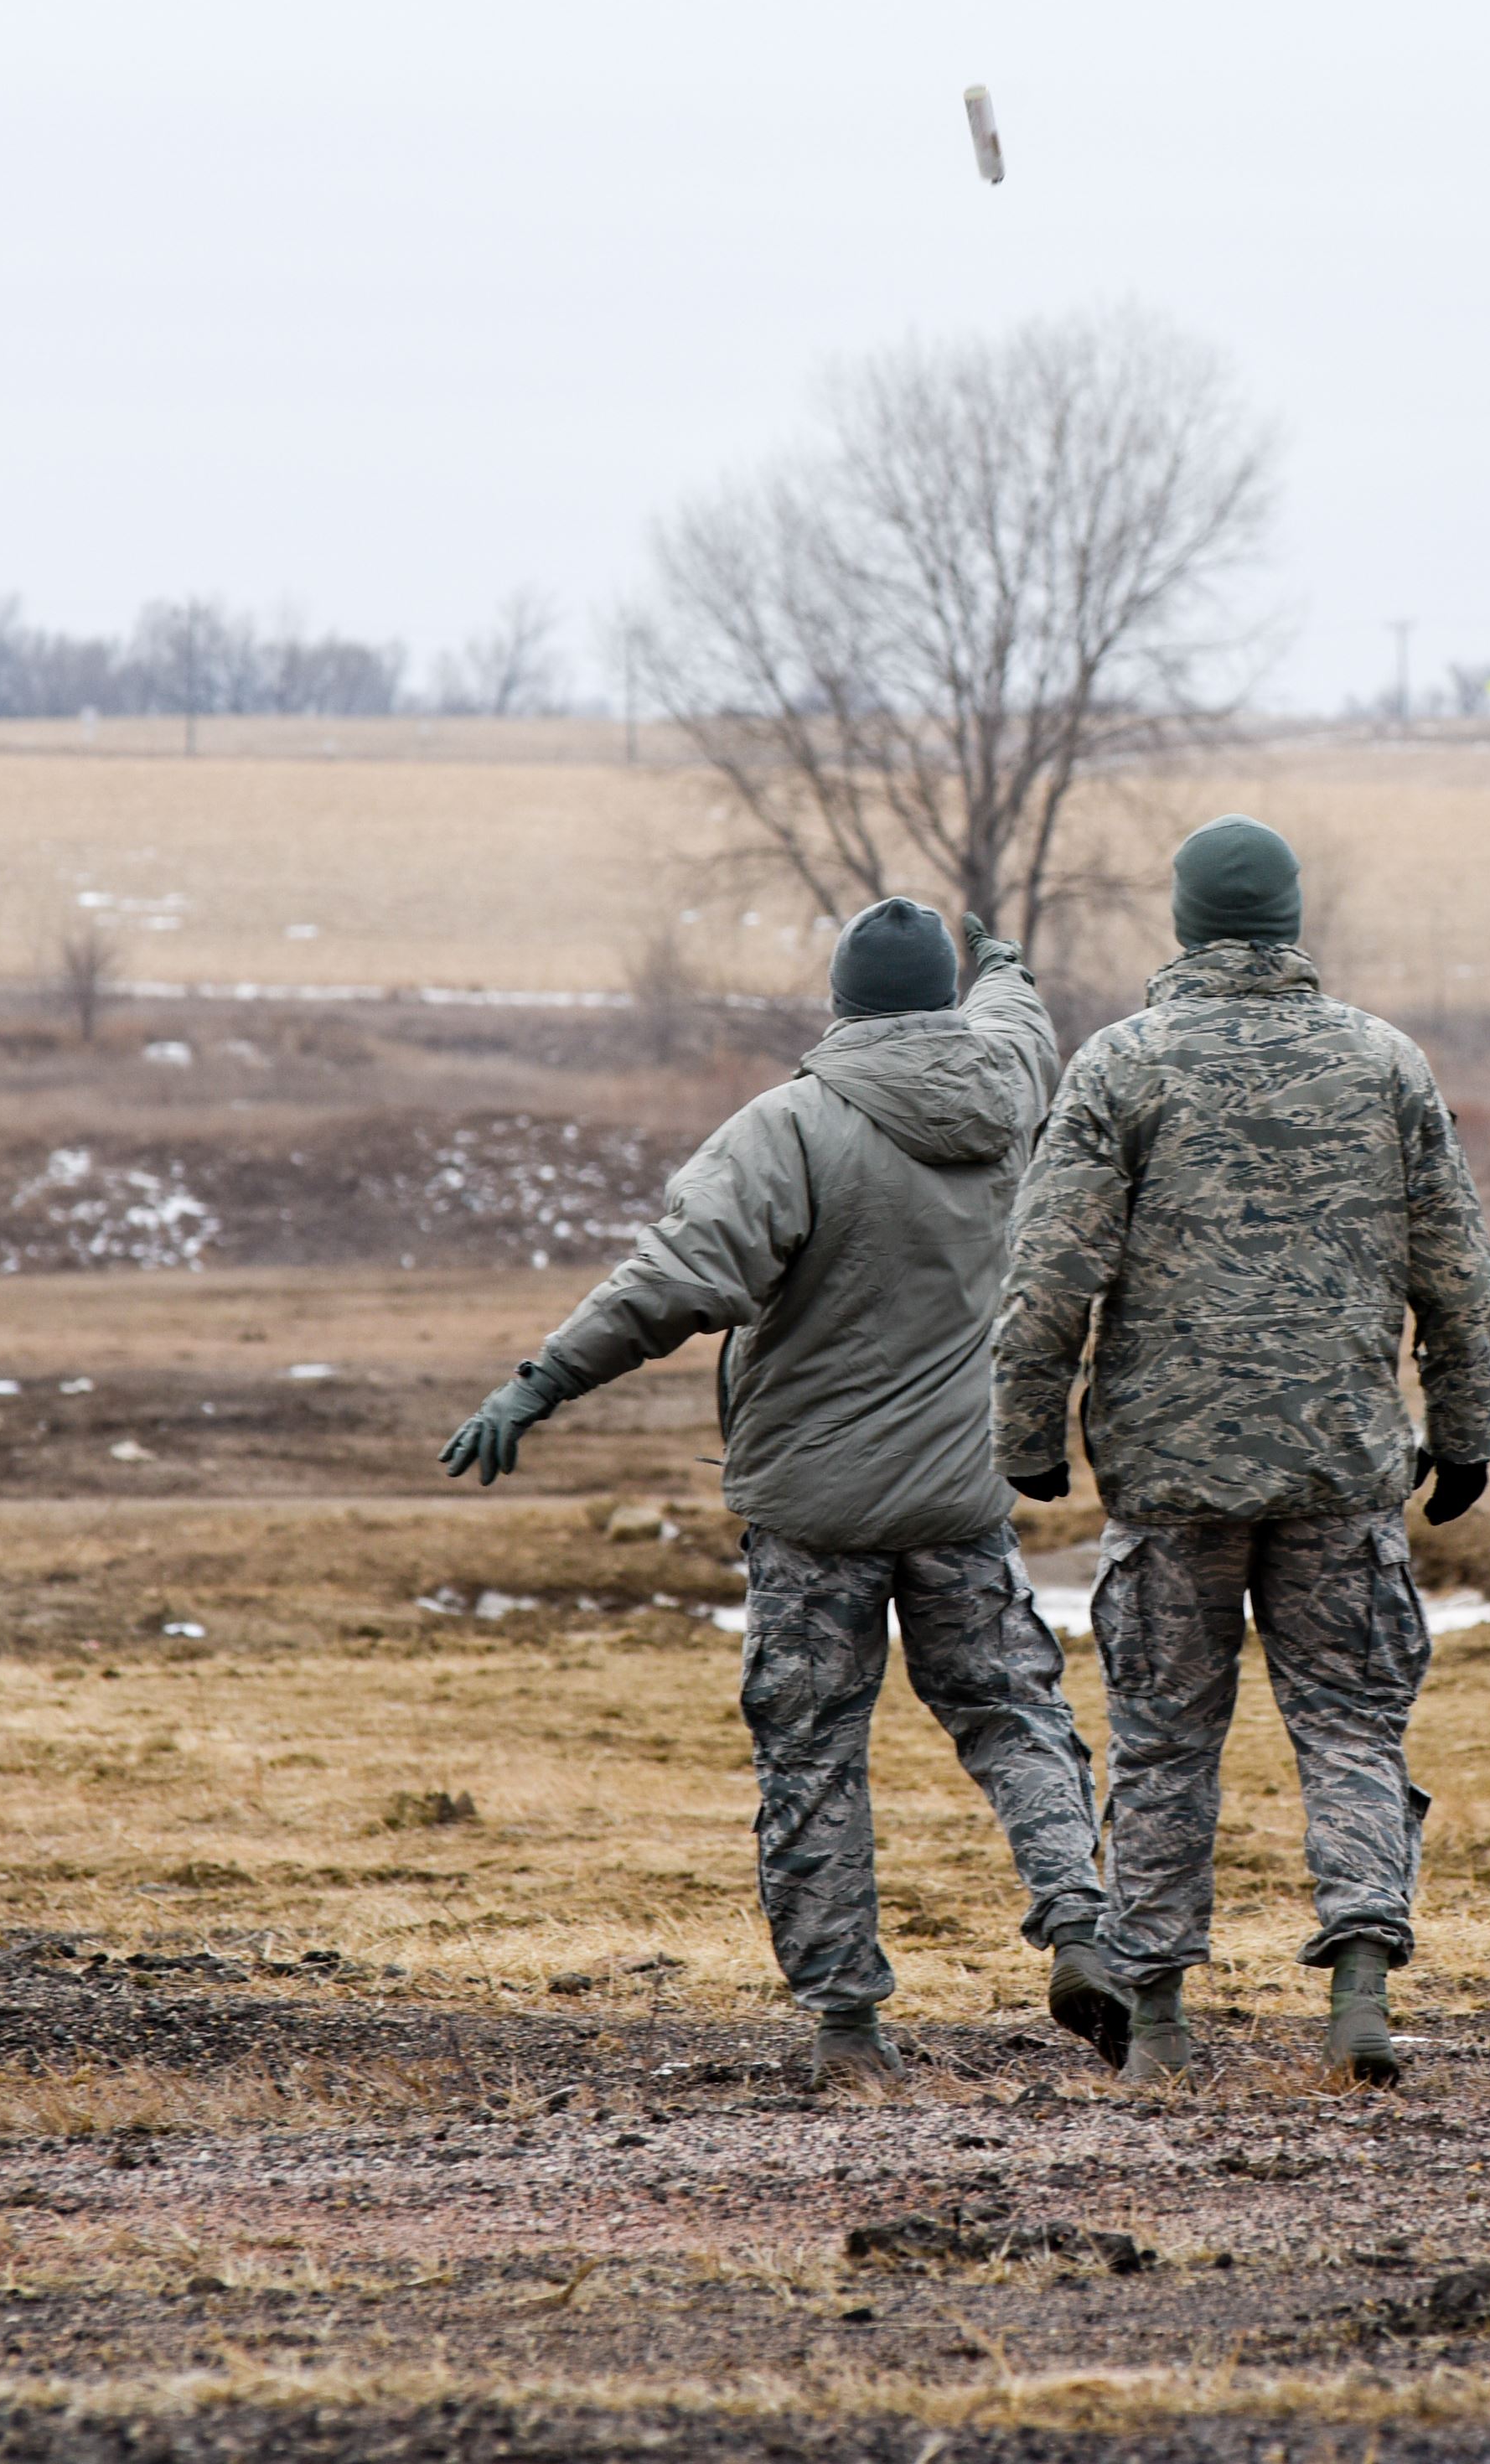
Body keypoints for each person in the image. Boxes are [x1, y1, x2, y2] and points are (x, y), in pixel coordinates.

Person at [439, 898, 1129, 2094]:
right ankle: (1079, 1926)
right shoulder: (1013, 1089)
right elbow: (1020, 1019)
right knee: (1018, 1723)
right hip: (962, 1496)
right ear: (945, 1000)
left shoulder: (791, 1128)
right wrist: (1007, 966)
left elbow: (669, 1283)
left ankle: (850, 2027)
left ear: (841, 1003)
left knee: (813, 1759)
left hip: (813, 1516)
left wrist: (538, 1385)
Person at [989, 814, 1490, 2085]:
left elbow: (1050, 1272)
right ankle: (1363, 1995)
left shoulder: (1121, 1066)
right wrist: (1467, 1433)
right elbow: (1460, 1274)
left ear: (1182, 918)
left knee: (1165, 1738)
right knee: (1352, 1729)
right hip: (1342, 1469)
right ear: (1290, 915)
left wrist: (1028, 1432)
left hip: (1171, 1478)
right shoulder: (1385, 1063)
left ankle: (1158, 2022)